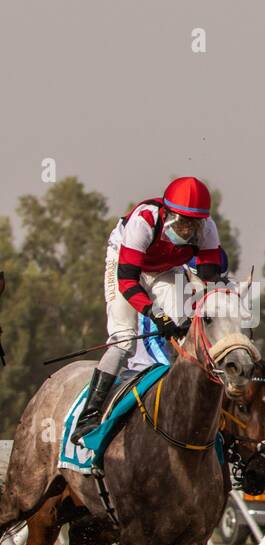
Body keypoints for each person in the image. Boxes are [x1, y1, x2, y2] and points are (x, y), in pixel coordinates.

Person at [71, 176, 226, 442]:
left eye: (194, 224)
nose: (188, 231)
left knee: (183, 331)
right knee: (123, 341)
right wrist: (155, 314)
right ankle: (89, 415)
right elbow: (129, 281)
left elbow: (208, 278)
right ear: (166, 213)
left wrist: (200, 311)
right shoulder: (144, 220)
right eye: (182, 222)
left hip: (165, 268)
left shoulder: (208, 228)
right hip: (125, 263)